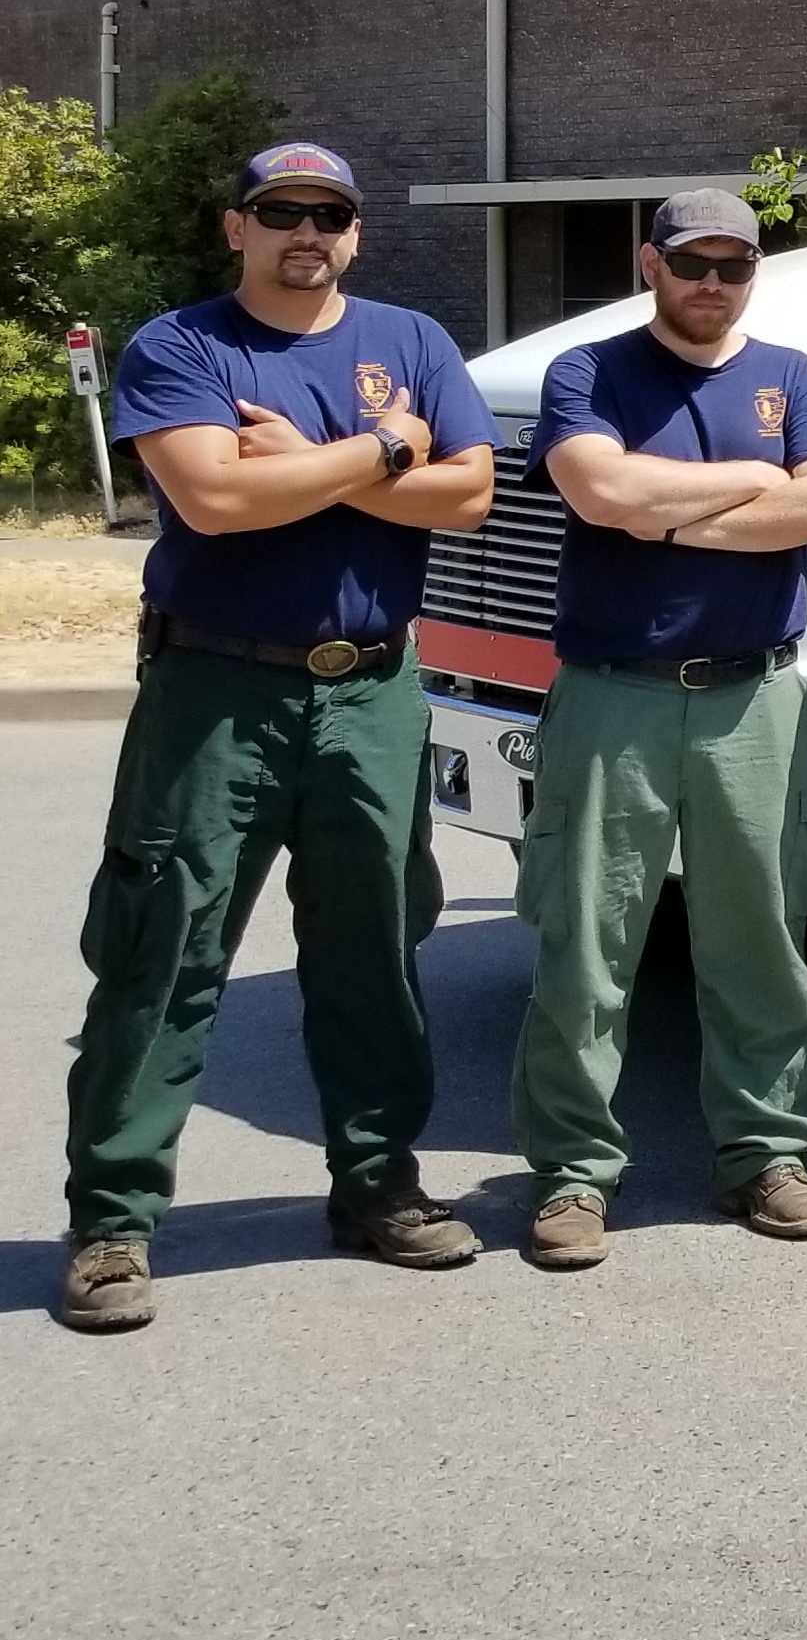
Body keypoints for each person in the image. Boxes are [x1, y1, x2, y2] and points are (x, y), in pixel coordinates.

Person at [56, 144, 498, 1333]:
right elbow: (215, 498)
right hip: (217, 690)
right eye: (282, 211)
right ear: (235, 227)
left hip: (373, 688)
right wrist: (388, 451)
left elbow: (469, 498)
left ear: (356, 233)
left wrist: (309, 465)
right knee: (166, 948)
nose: (308, 230)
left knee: (373, 951)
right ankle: (111, 1223)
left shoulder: (412, 342)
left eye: (331, 214)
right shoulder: (182, 346)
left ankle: (377, 1187)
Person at [502, 191, 807, 1268]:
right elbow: (600, 491)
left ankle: (767, 1155)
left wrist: (671, 509)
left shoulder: (793, 376)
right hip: (615, 694)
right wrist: (754, 482)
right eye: (693, 261)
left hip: (755, 698)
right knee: (588, 945)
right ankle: (573, 1175)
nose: (713, 282)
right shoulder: (589, 373)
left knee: (761, 941)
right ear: (649, 262)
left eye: (734, 265)